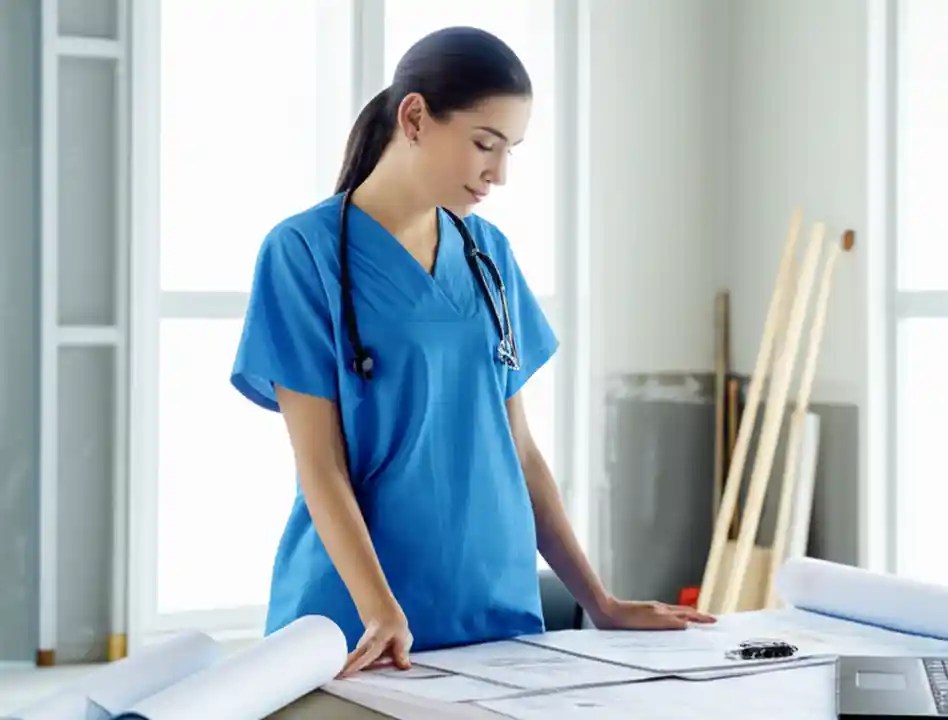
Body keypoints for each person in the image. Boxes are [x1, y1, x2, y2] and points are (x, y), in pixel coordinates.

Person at [230, 26, 714, 678]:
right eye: (485, 144)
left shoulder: (488, 256)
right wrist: (380, 610)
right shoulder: (303, 254)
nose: (499, 173)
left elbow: (519, 450)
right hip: (358, 628)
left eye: (510, 150)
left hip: (495, 614)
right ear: (415, 118)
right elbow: (321, 467)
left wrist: (597, 601)